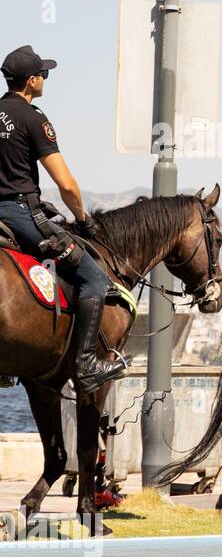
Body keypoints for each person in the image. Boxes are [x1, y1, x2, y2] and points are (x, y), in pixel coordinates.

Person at [0, 45, 125, 393]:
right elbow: (66, 184)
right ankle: (86, 364)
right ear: (31, 80)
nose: (46, 79)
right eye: (44, 74)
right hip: (21, 213)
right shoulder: (34, 118)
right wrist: (82, 218)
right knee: (93, 278)